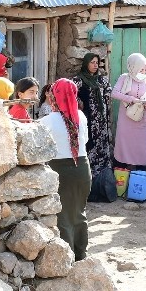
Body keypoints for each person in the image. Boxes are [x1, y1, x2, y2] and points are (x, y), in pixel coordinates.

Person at [43, 78, 92, 261]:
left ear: (55, 96)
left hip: (59, 169)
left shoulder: (47, 120)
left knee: (63, 215)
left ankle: (67, 257)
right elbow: (84, 141)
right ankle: (81, 254)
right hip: (82, 168)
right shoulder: (81, 116)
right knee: (79, 212)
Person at [112, 53, 146, 169]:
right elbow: (114, 93)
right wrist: (131, 99)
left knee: (143, 149)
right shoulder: (124, 78)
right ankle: (121, 180)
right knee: (124, 148)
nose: (144, 72)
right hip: (126, 121)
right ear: (133, 67)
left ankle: (141, 178)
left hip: (142, 121)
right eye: (142, 69)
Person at [77, 53, 114, 180]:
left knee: (102, 144)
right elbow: (71, 95)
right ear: (86, 63)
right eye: (92, 62)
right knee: (89, 144)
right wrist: (79, 103)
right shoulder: (79, 80)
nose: (95, 65)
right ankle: (89, 176)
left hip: (101, 120)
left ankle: (103, 176)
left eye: (96, 63)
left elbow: (109, 94)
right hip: (88, 120)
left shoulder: (102, 79)